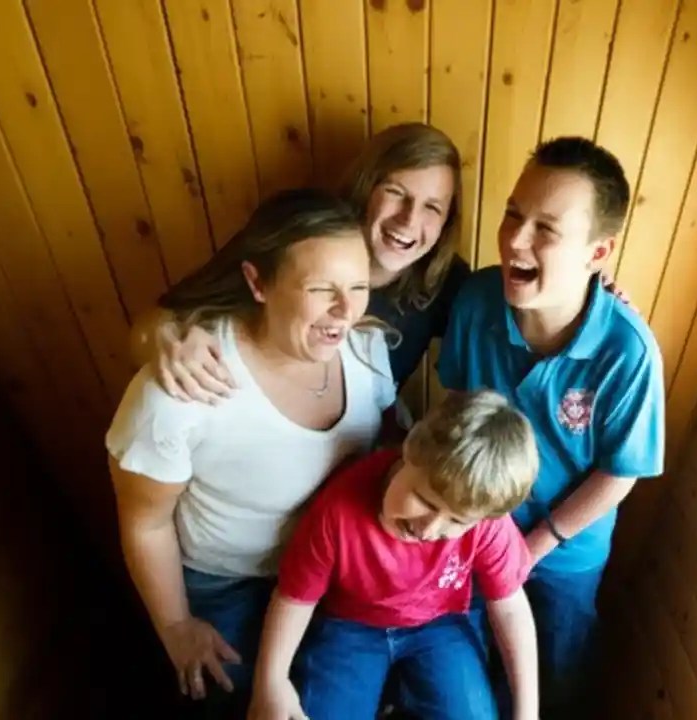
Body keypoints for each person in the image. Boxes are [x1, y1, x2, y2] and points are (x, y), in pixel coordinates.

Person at [106, 189, 396, 716]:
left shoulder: (367, 352)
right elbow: (145, 522)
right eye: (320, 289)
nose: (346, 310)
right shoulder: (181, 392)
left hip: (330, 568)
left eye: (358, 286)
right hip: (227, 582)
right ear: (257, 283)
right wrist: (176, 626)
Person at [437, 137, 666, 718]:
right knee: (463, 663)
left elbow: (619, 473)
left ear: (597, 253)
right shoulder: (475, 302)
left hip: (567, 551)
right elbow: (458, 411)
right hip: (474, 531)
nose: (515, 238)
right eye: (514, 213)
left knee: (558, 672)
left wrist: (534, 546)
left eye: (546, 228)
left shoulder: (627, 350)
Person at [247, 390, 541, 720]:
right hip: (351, 626)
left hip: (438, 626)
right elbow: (294, 598)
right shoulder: (337, 511)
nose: (429, 528)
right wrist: (270, 682)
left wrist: (527, 712)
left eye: (456, 521)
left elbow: (511, 608)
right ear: (409, 449)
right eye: (425, 501)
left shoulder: (487, 524)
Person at [137, 123, 470, 400]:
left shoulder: (445, 281)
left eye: (432, 207)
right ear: (366, 186)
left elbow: (493, 340)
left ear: (445, 223)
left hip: (360, 437)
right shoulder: (300, 234)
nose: (409, 220)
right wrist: (167, 340)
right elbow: (157, 318)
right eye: (397, 193)